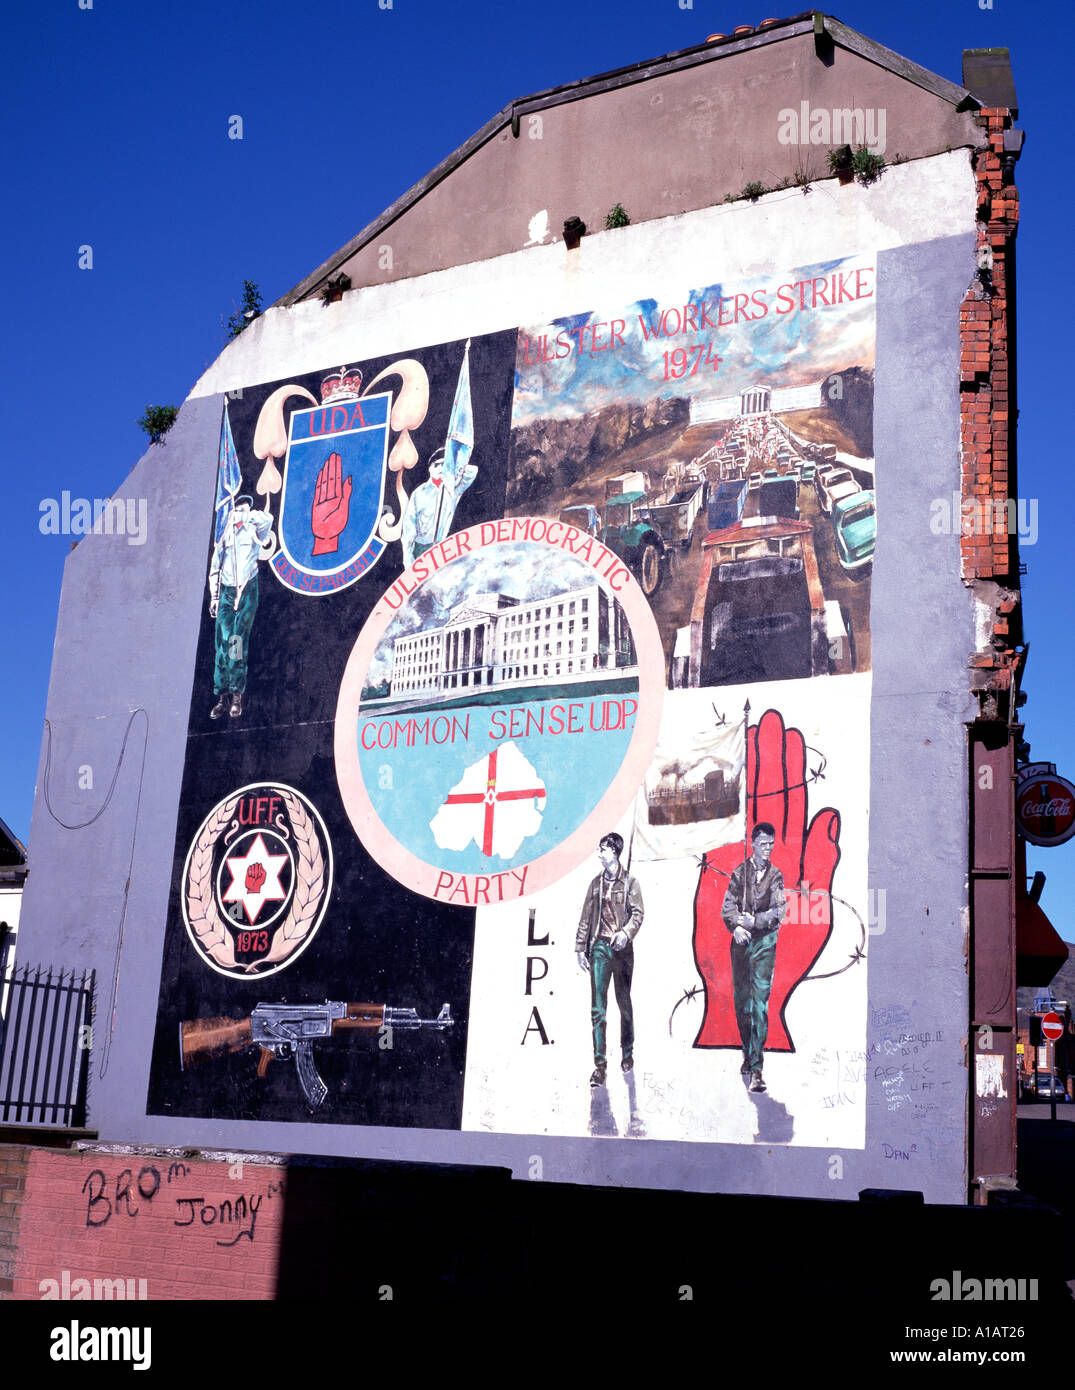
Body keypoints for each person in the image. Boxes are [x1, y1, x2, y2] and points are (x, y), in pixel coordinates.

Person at [721, 821, 786, 1093]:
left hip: (764, 945)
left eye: (771, 844)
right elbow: (727, 908)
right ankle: (749, 1052)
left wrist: (754, 921)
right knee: (742, 1004)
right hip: (740, 945)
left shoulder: (776, 876)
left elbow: (778, 911)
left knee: (760, 1003)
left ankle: (757, 1069)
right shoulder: (739, 873)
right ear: (753, 844)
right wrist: (737, 925)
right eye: (763, 844)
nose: (767, 849)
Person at [576, 833, 644, 1087]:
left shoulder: (630, 883)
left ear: (614, 852)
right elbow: (585, 917)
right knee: (598, 1008)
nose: (600, 854)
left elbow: (638, 914)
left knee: (624, 1003)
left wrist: (626, 933)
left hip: (623, 951)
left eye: (603, 849)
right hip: (600, 949)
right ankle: (600, 1065)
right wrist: (580, 947)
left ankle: (628, 1054)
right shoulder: (595, 884)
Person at [207, 495, 273, 719]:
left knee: (236, 640)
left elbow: (268, 519)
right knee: (222, 644)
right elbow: (215, 567)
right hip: (226, 591)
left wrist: (246, 516)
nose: (240, 512)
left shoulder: (255, 529)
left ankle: (236, 695)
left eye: (244, 508)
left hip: (246, 590)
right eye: (238, 508)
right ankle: (221, 696)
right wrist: (215, 598)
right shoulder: (225, 535)